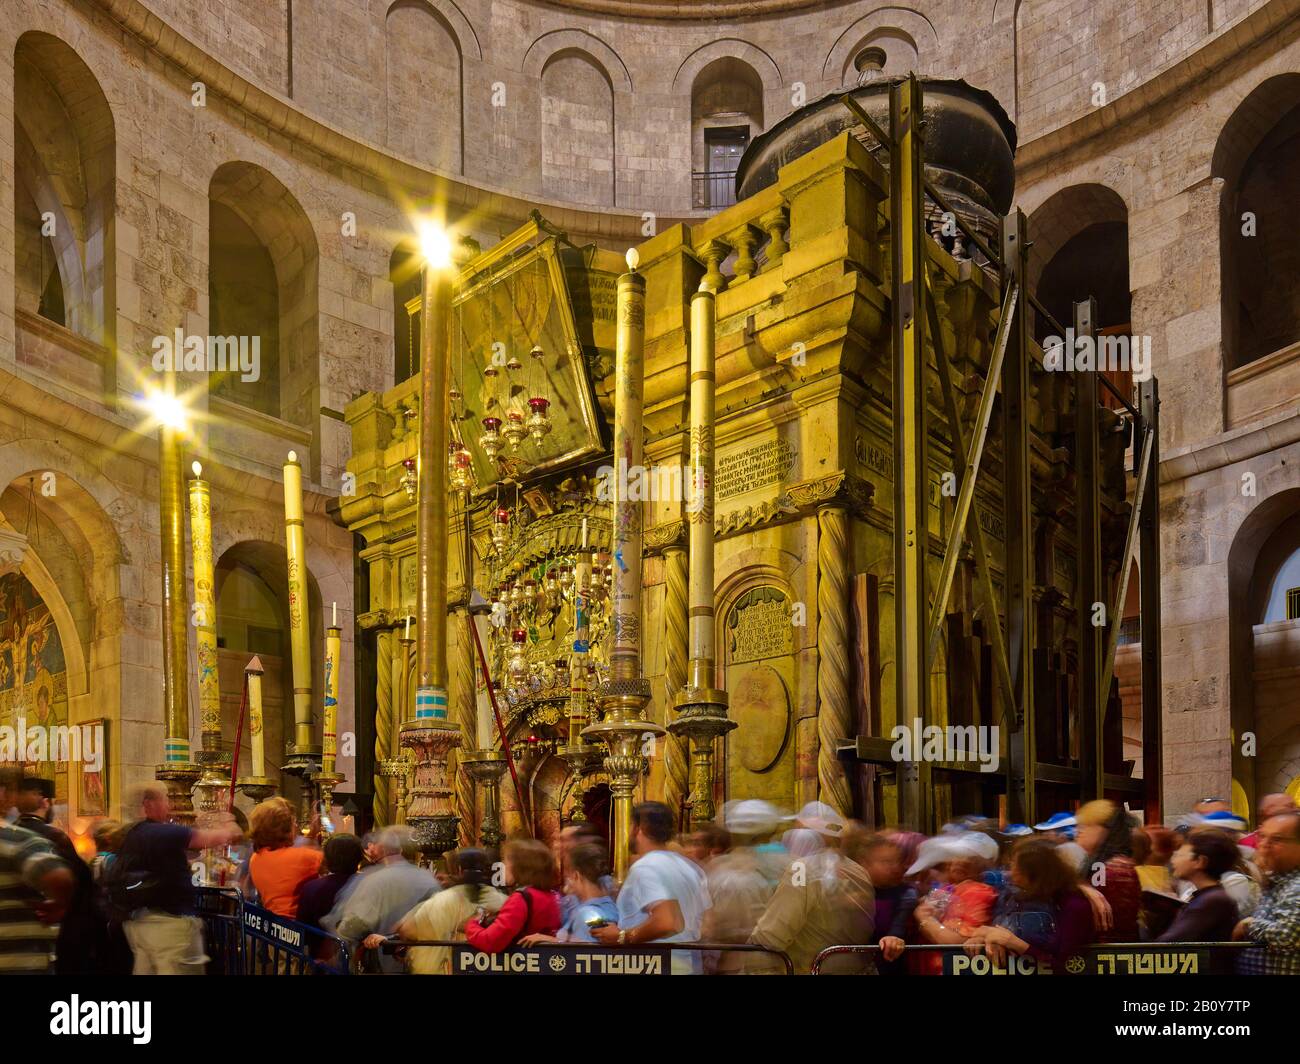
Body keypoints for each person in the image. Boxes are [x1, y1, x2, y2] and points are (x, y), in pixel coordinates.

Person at [109, 783, 240, 975]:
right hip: (168, 926)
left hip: (139, 923)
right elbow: (219, 837)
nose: (169, 805)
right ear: (149, 804)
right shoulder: (162, 832)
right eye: (165, 799)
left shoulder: (133, 834)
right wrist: (228, 819)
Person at [749, 810, 876, 974]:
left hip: (813, 968)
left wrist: (754, 962)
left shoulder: (801, 869)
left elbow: (774, 932)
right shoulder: (858, 870)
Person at [591, 801, 711, 974]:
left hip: (659, 965)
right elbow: (708, 922)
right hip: (688, 964)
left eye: (631, 825)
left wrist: (621, 936)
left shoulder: (646, 866)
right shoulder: (688, 866)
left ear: (639, 828)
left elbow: (668, 922)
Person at [967, 837, 1095, 974]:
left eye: (1017, 869)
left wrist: (1016, 944)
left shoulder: (1074, 906)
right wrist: (985, 939)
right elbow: (1006, 933)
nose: (1011, 875)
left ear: (1035, 873)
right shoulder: (1019, 897)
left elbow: (1070, 968)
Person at [324, 826, 438, 974]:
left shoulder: (374, 880)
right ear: (400, 850)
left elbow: (354, 925)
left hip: (386, 962)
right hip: (426, 961)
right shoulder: (427, 878)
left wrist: (339, 940)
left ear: (382, 849)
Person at [15, 776, 99, 973]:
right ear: (45, 802)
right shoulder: (53, 837)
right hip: (52, 931)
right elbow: (81, 882)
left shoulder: (10, 834)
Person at [0, 769, 74, 974]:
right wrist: (60, 904)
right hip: (18, 962)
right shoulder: (17, 840)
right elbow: (59, 877)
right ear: (4, 793)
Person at [400, 847, 507, 973]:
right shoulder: (501, 900)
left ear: (459, 870)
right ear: (486, 871)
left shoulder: (443, 900)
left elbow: (407, 930)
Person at [909, 832, 999, 975]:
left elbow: (956, 942)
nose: (961, 861)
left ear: (985, 865)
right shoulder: (948, 888)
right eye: (958, 854)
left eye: (971, 857)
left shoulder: (979, 892)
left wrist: (924, 919)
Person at [463, 839, 561, 953]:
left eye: (505, 862)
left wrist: (472, 924)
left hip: (523, 961)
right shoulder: (553, 896)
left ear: (519, 867)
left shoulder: (520, 898)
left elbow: (491, 941)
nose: (503, 867)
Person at [1234, 811, 1300, 974]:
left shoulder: (1297, 885)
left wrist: (1248, 924)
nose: (1264, 844)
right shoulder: (1276, 880)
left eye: (1276, 839)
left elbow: (1286, 936)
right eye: (1262, 836)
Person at [520, 842, 617, 945]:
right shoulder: (610, 905)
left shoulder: (587, 914)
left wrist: (547, 940)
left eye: (567, 875)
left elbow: (584, 951)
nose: (566, 881)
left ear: (576, 876)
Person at [1074, 799, 1141, 943]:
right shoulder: (1103, 864)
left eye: (1086, 826)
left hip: (1107, 949)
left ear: (1105, 831)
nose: (1078, 831)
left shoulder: (1113, 869)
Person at [1157, 828, 1240, 942]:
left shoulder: (1213, 900)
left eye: (1179, 855)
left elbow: (1171, 942)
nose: (1173, 860)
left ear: (1200, 861)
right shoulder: (1209, 896)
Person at [247, 797, 323, 919]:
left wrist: (311, 836)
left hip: (272, 922)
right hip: (298, 925)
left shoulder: (255, 858)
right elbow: (337, 861)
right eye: (294, 822)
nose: (296, 827)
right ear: (283, 829)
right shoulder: (302, 857)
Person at [857, 832, 918, 975]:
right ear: (864, 863)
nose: (895, 867)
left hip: (890, 965)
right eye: (886, 862)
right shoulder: (853, 892)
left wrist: (893, 938)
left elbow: (898, 927)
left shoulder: (906, 894)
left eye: (898, 861)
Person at [297, 833, 365, 931]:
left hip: (318, 940)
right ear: (360, 858)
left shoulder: (311, 888)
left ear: (327, 858)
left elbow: (302, 929)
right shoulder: (370, 885)